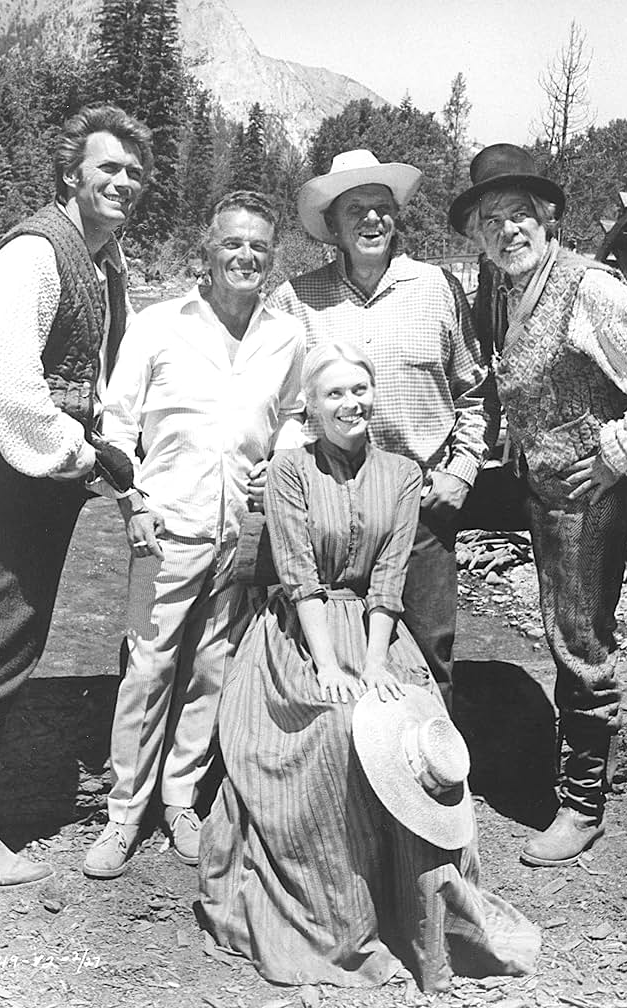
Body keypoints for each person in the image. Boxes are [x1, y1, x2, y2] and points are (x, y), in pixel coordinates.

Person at [198, 340, 539, 992]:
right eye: (334, 394)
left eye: (360, 390)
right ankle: (341, 913)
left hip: (375, 630)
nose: (350, 403)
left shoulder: (403, 474)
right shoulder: (289, 471)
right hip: (299, 629)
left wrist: (377, 660)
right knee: (331, 728)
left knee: (409, 728)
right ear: (311, 407)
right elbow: (298, 576)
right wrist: (329, 666)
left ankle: (416, 915)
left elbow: (388, 582)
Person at [449, 144, 627, 867]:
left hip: (588, 492)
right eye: (492, 220)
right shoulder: (506, 290)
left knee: (578, 638)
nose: (508, 231)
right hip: (542, 482)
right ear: (478, 233)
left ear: (549, 218)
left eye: (521, 216)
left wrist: (623, 451)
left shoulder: (587, 290)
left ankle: (582, 804)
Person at [0, 105, 153, 888]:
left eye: (133, 171)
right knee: (7, 635)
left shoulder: (104, 258)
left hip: (59, 465)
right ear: (70, 174)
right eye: (107, 168)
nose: (123, 181)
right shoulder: (33, 253)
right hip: (24, 466)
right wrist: (79, 453)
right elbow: (0, 381)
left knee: (23, 630)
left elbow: (94, 366)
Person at [82, 191, 305, 879]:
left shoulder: (286, 336)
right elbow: (114, 425)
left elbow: (294, 413)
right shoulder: (157, 326)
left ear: (271, 259)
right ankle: (124, 815)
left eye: (258, 248)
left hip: (239, 530)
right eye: (232, 244)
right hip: (165, 525)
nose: (244, 256)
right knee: (147, 668)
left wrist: (286, 456)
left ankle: (181, 800)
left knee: (211, 668)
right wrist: (131, 498)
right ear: (205, 252)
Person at [269, 150, 499, 707]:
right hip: (325, 503)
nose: (371, 220)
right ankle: (344, 780)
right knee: (319, 645)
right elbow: (278, 405)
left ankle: (430, 777)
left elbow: (478, 394)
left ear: (396, 217)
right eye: (356, 211)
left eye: (381, 208)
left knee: (428, 645)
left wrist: (462, 473)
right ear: (334, 228)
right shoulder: (296, 300)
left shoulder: (438, 288)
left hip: (419, 504)